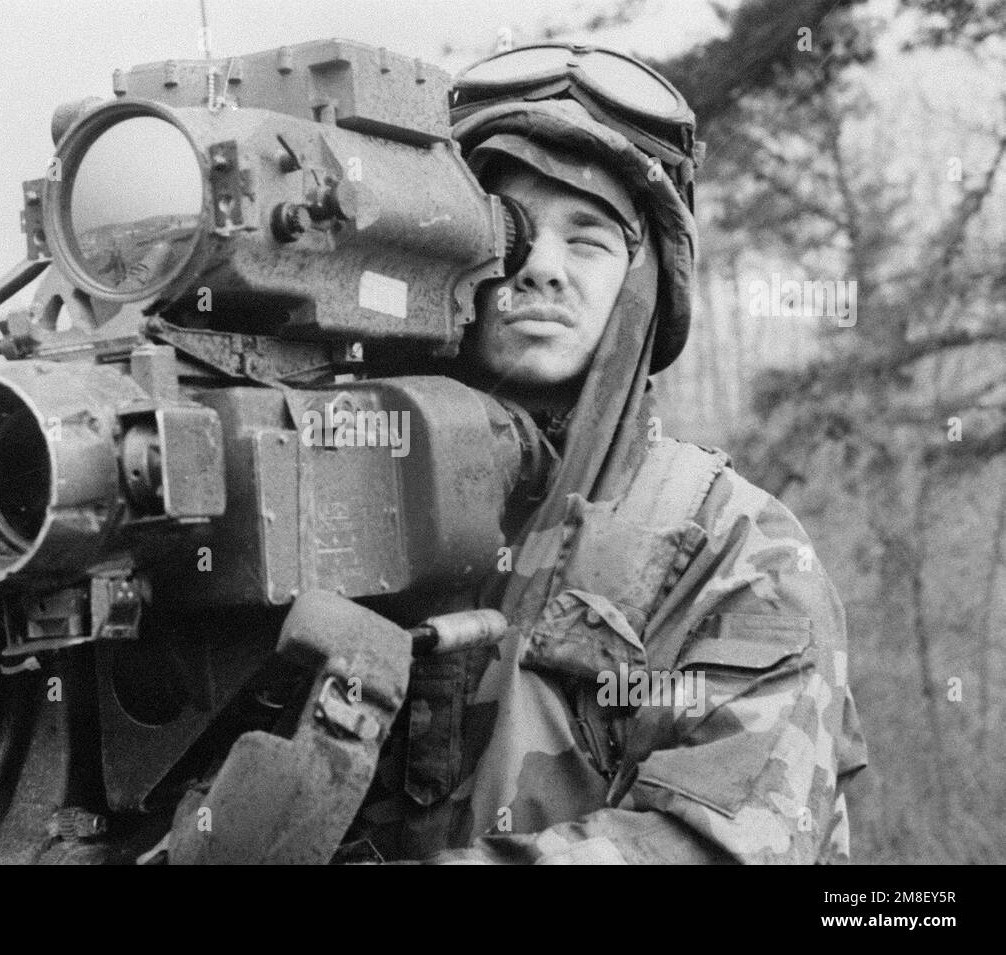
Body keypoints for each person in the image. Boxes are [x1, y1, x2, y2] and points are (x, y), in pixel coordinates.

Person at [347, 43, 870, 864]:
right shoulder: (349, 487)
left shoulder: (737, 546)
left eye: (588, 239)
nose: (542, 270)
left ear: (644, 278)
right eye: (511, 234)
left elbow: (719, 849)